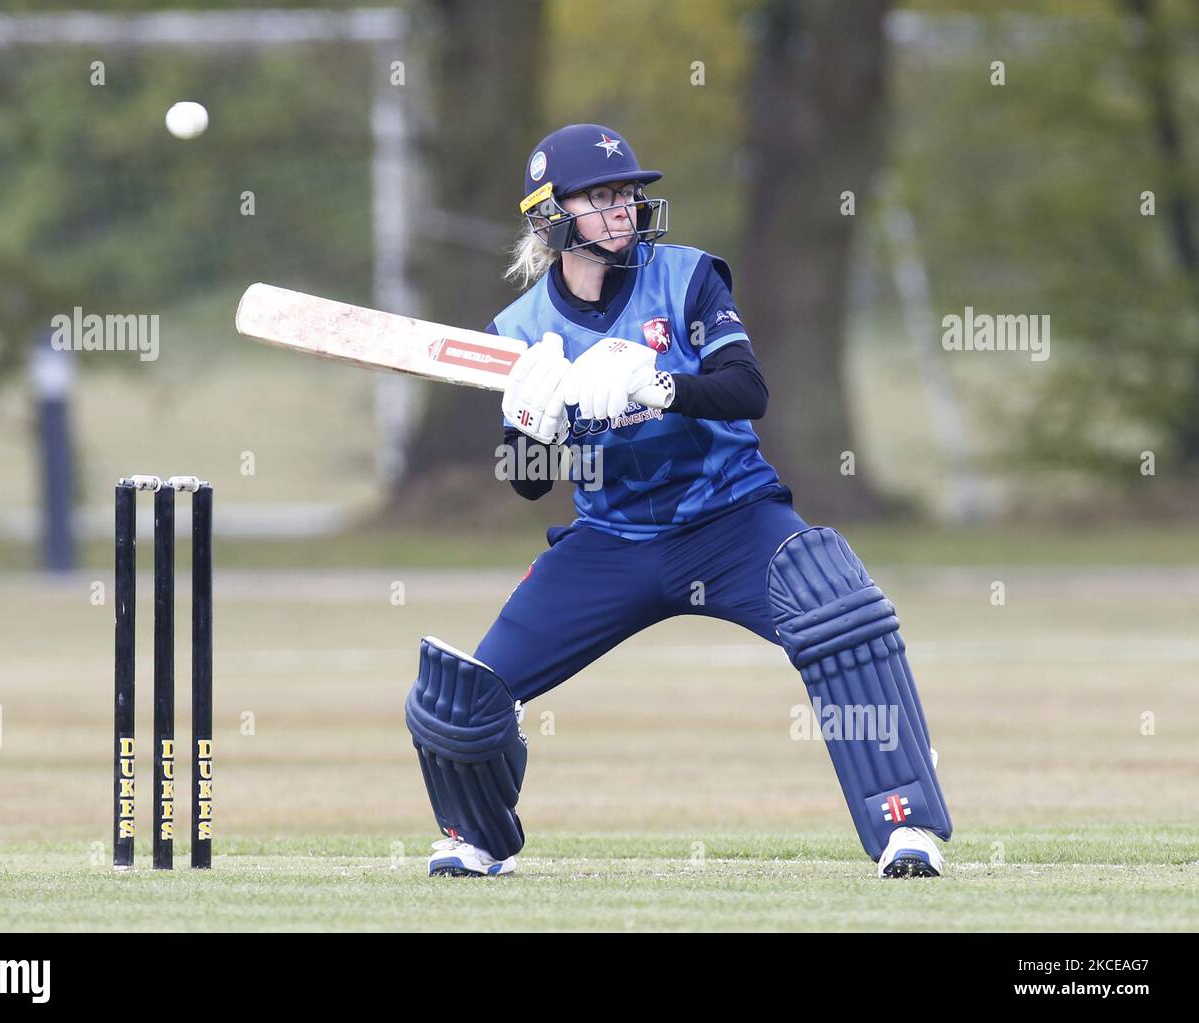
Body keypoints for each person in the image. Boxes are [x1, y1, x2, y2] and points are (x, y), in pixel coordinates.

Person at [404, 123, 951, 879]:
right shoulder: (519, 330)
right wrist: (535, 427)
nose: (623, 207)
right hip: (611, 542)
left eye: (627, 192)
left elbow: (747, 389)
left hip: (731, 519)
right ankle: (475, 836)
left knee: (841, 614)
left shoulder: (687, 278)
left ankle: (905, 826)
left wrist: (661, 386)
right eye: (601, 196)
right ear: (551, 216)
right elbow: (527, 481)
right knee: (461, 701)